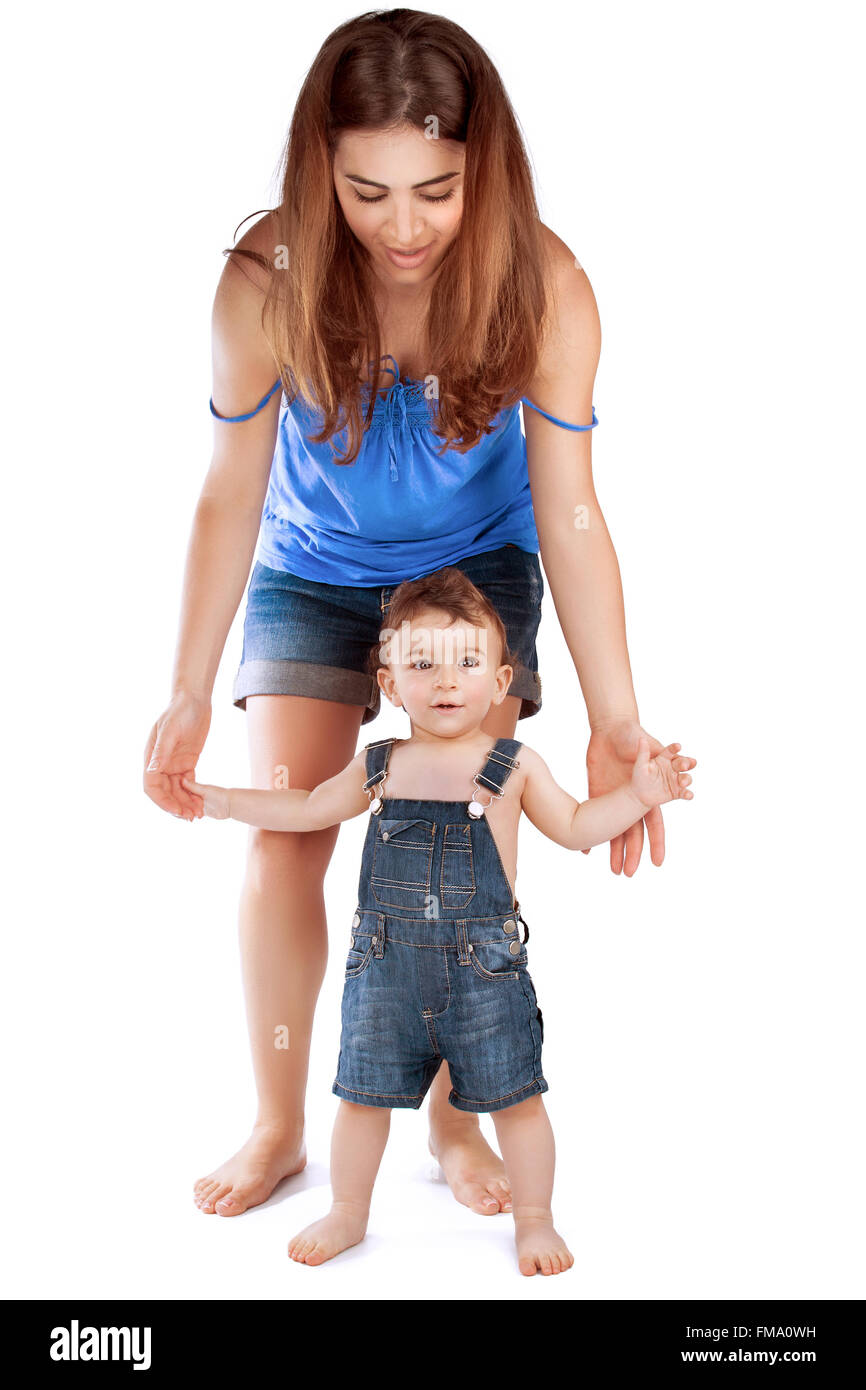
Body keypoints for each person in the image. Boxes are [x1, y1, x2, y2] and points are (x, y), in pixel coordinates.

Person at [143, 9, 685, 1222]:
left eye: (434, 192)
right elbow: (229, 492)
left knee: (464, 829)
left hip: (471, 572)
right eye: (365, 192)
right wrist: (187, 684)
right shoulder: (262, 284)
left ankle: (451, 1117)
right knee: (285, 830)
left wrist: (616, 716)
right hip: (312, 567)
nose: (400, 227)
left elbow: (571, 511)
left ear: (481, 168)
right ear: (318, 170)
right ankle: (281, 1121)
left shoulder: (546, 284)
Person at [181, 568, 695, 1272]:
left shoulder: (513, 765)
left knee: (517, 1101)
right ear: (389, 683)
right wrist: (221, 801)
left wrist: (639, 794)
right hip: (384, 969)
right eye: (422, 663)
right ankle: (348, 1209)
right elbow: (303, 809)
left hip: (485, 973)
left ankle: (535, 1218)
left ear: (501, 679)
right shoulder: (380, 765)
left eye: (467, 662)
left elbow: (577, 826)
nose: (446, 680)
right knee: (361, 1098)